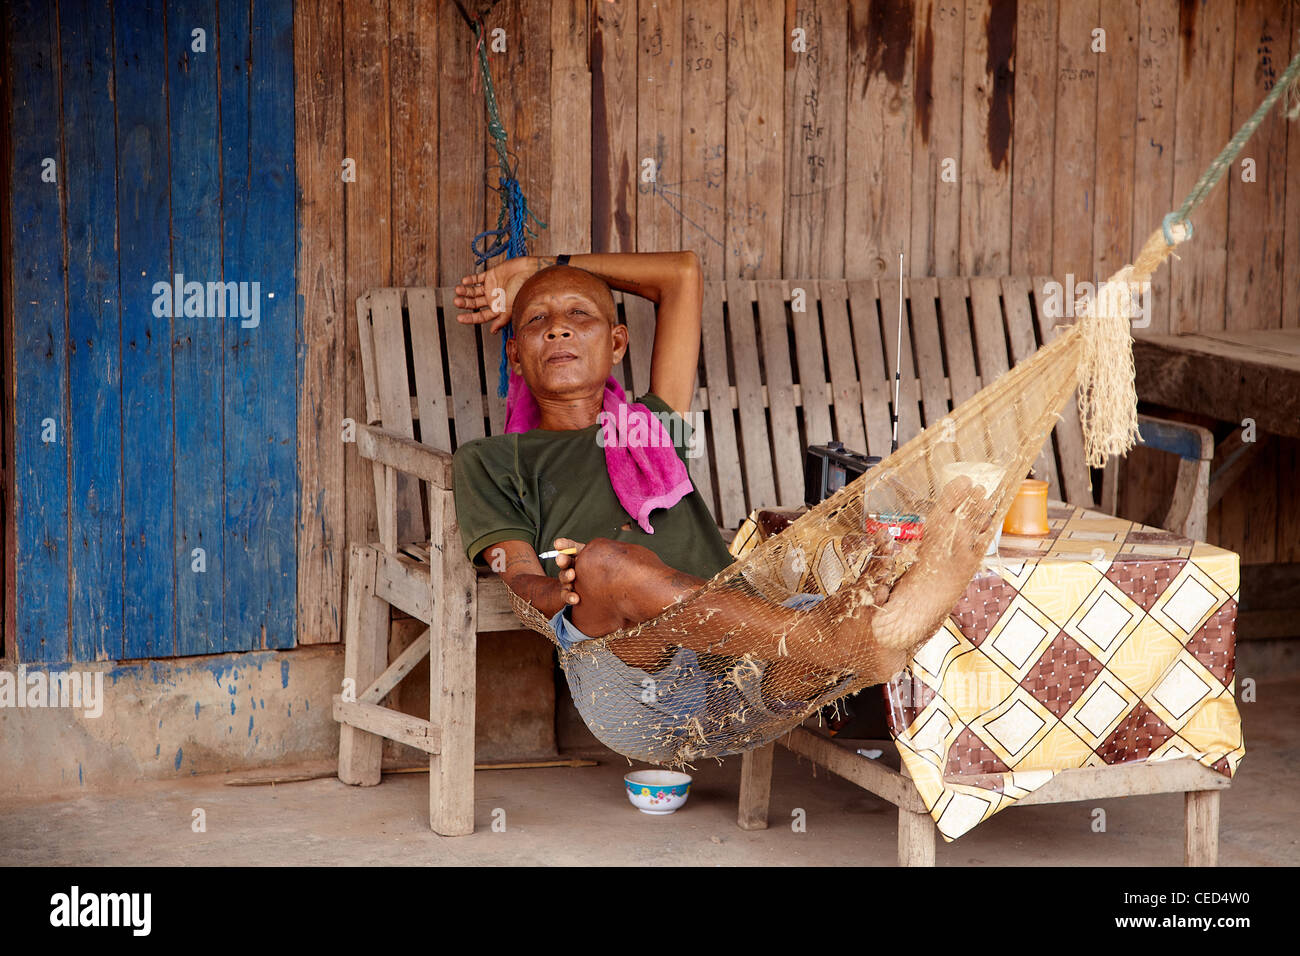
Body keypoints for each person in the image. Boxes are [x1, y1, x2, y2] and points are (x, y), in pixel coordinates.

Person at [451, 251, 993, 723]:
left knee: (861, 557)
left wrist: (548, 265)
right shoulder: (492, 459)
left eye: (579, 315)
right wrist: (551, 592)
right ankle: (842, 639)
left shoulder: (655, 426)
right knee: (601, 563)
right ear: (516, 355)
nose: (558, 329)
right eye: (537, 320)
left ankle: (860, 629)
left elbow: (682, 275)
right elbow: (516, 573)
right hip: (630, 670)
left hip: (749, 654)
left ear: (618, 343)